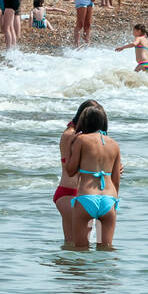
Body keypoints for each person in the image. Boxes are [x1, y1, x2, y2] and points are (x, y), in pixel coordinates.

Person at [63, 103, 122, 249]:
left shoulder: (81, 140)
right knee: (106, 250)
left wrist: (70, 146)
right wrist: (113, 201)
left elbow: (70, 170)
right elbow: (116, 179)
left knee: (80, 250)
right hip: (108, 199)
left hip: (86, 198)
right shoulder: (114, 144)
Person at [55, 98, 100, 247]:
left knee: (73, 244)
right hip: (69, 193)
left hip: (80, 193)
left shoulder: (79, 135)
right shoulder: (72, 136)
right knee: (80, 245)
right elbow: (76, 167)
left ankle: (70, 269)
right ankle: (75, 269)